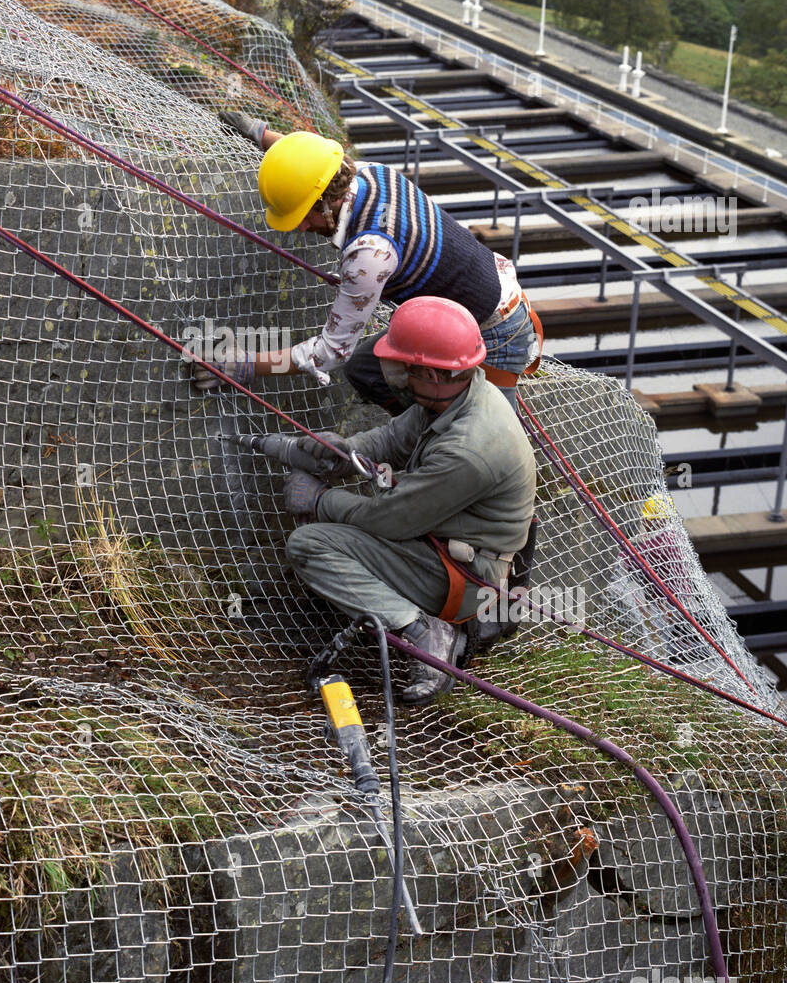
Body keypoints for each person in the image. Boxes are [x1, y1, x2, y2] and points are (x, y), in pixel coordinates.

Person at [276, 296, 537, 704]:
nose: (393, 374)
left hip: (468, 578)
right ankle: (407, 617)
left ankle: (427, 635)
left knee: (310, 545)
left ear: (432, 372)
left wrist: (320, 499)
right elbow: (392, 440)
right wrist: (344, 453)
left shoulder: (469, 449)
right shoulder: (456, 394)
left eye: (404, 367)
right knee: (334, 530)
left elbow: (389, 520)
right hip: (444, 546)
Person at [190, 116, 542, 411]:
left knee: (481, 442)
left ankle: (431, 436)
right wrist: (261, 135)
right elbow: (315, 164)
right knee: (366, 370)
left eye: (303, 214)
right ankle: (421, 427)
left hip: (494, 332)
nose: (300, 226)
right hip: (478, 289)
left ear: (327, 204)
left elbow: (329, 352)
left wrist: (247, 366)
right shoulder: (369, 173)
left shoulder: (370, 255)